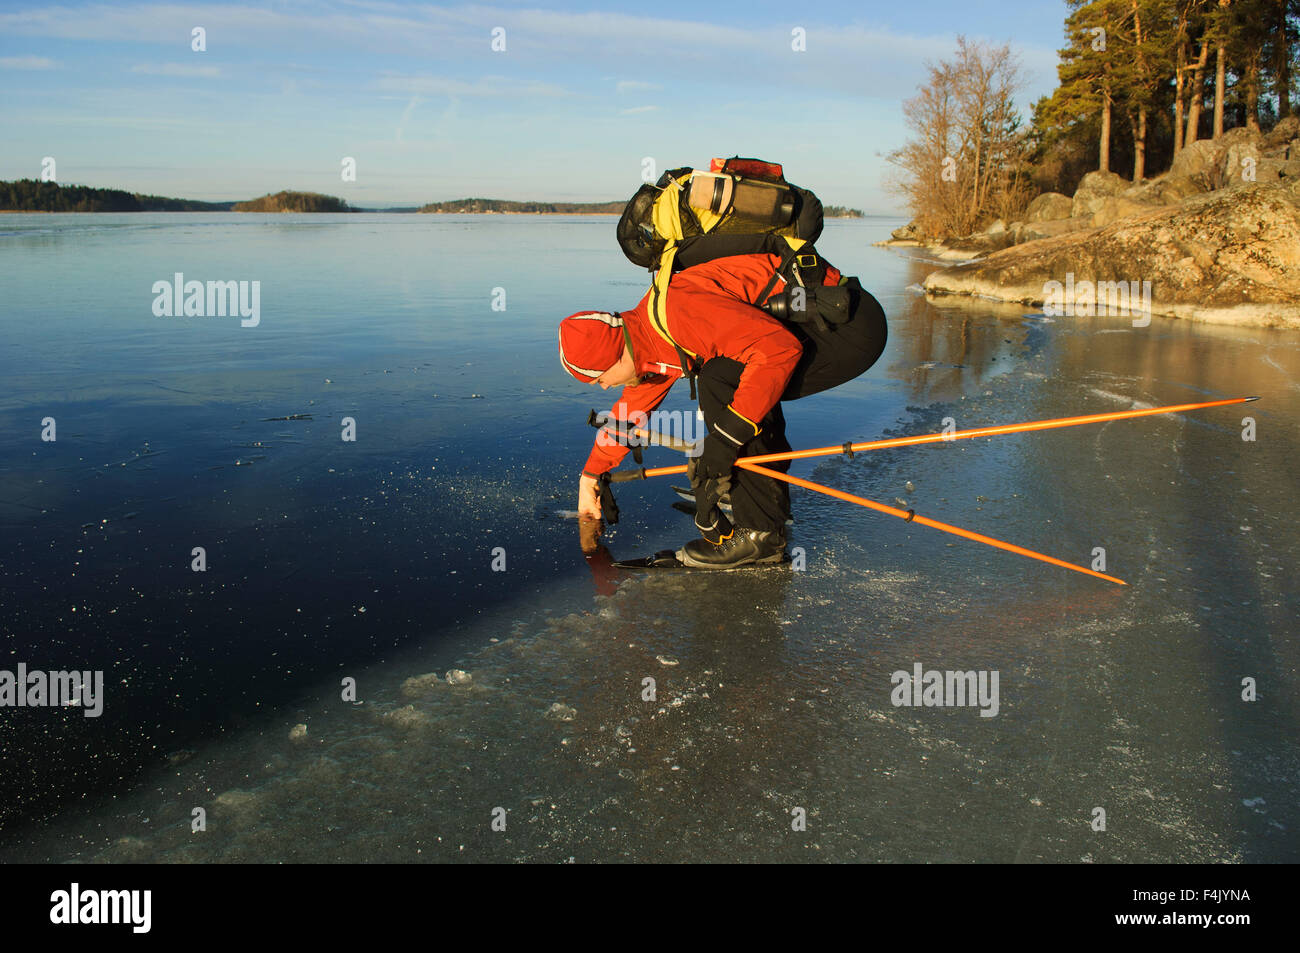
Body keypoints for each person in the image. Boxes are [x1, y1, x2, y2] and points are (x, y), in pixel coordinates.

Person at [560, 249, 887, 568]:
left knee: (720, 375)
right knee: (727, 377)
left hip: (847, 324)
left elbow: (778, 351)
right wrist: (591, 475)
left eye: (600, 379)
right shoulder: (649, 330)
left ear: (616, 355)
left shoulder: (679, 314)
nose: (604, 387)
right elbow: (632, 409)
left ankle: (759, 533)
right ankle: (754, 493)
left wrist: (725, 441)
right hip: (825, 321)